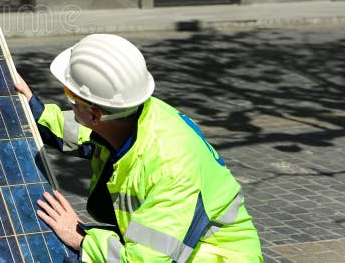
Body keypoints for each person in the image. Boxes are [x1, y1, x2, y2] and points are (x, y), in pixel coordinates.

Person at [15, 34, 262, 262]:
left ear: (94, 114)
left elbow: (144, 260)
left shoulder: (171, 169)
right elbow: (87, 132)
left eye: (70, 94)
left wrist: (82, 238)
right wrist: (34, 109)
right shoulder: (137, 113)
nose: (65, 97)